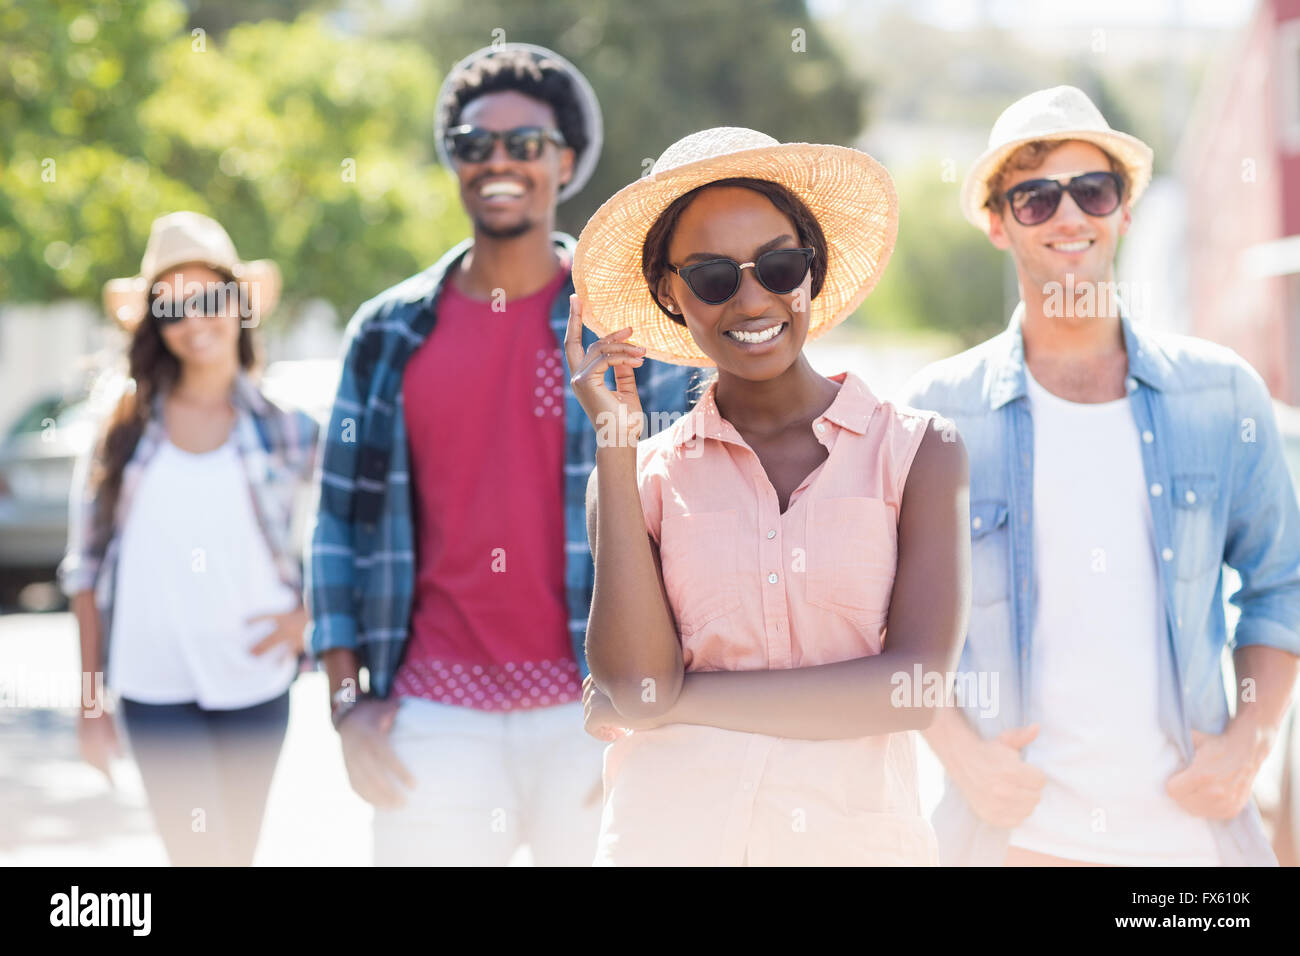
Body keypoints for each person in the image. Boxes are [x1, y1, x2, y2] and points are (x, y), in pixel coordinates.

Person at [306, 43, 695, 866]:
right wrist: (347, 705)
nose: (500, 162)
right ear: (454, 160)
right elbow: (339, 527)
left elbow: (682, 520)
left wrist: (658, 712)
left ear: (565, 161)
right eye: (476, 143)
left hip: (594, 713)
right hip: (432, 712)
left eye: (527, 144)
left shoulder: (621, 331)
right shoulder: (386, 333)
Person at [903, 86, 1300, 866]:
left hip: (1191, 852)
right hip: (1012, 843)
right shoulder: (937, 411)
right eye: (1035, 197)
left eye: (1094, 189)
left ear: (1124, 210)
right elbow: (880, 616)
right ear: (995, 220)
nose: (1069, 216)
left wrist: (1251, 739)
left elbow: (1280, 583)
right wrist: (962, 755)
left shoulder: (1220, 393)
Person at [568, 126, 970, 866]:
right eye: (715, 277)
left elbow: (911, 690)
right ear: (670, 292)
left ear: (810, 273)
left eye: (779, 266)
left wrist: (684, 703)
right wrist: (615, 447)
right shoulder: (636, 477)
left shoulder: (919, 453)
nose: (753, 300)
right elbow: (637, 684)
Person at [60, 211, 319, 866]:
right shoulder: (119, 429)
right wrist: (92, 703)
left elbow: (348, 541)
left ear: (237, 305)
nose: (193, 319)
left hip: (256, 684)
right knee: (199, 854)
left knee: (236, 855)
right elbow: (84, 571)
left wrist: (308, 618)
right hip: (153, 688)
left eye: (208, 298)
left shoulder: (288, 429)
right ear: (153, 322)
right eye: (171, 307)